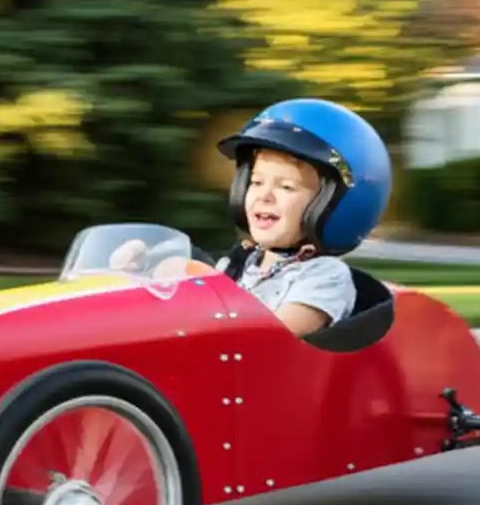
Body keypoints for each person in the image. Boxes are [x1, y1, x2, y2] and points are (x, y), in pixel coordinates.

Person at [112, 98, 393, 337]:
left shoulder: (325, 276)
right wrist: (150, 264)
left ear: (331, 205)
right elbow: (200, 282)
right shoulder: (240, 264)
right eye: (256, 182)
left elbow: (272, 337)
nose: (265, 195)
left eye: (286, 187)